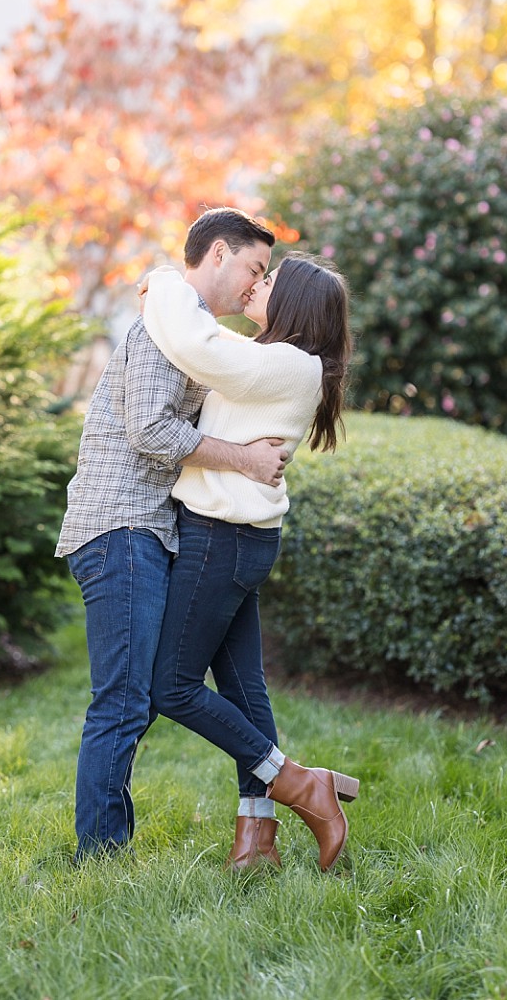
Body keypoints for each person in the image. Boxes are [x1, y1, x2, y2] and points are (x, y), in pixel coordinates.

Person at [56, 207, 290, 860]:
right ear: (217, 254)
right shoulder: (162, 330)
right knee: (126, 697)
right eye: (253, 267)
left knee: (137, 696)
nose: (254, 283)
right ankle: (100, 852)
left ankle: (108, 840)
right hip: (120, 523)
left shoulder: (186, 328)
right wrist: (245, 459)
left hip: (147, 528)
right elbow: (152, 431)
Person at [140, 254, 359, 872]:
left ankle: (298, 783)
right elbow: (213, 351)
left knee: (173, 687)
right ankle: (257, 838)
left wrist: (163, 280)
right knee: (242, 689)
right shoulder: (279, 363)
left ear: (292, 305)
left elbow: (198, 347)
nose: (255, 286)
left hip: (221, 538)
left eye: (268, 281)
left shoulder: (288, 364)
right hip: (237, 539)